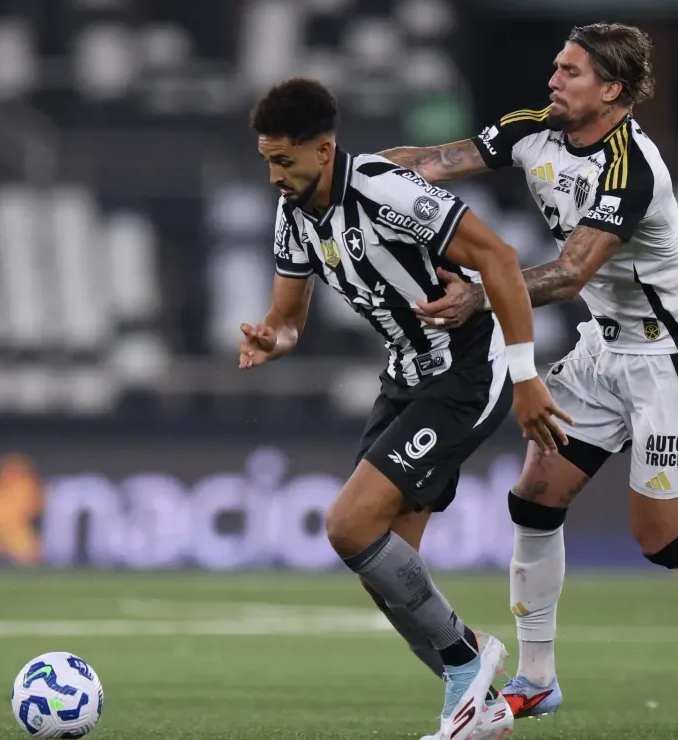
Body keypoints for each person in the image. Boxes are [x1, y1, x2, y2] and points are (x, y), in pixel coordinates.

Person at [378, 22, 678, 720]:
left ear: (612, 90)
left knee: (662, 540)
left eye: (571, 72)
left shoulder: (632, 168)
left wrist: (479, 294)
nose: (553, 81)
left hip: (670, 361)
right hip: (604, 349)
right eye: (556, 68)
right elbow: (436, 160)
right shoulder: (533, 129)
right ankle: (537, 677)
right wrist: (350, 175)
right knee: (533, 495)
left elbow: (568, 271)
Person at [240, 77, 572, 740]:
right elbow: (289, 315)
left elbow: (499, 259)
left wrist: (526, 376)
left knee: (347, 525)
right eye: (267, 162)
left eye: (285, 161)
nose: (274, 176)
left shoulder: (386, 191)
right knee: (385, 572)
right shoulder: (294, 212)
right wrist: (274, 337)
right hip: (403, 381)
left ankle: (468, 664)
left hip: (465, 373)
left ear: (325, 150)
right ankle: (481, 707)